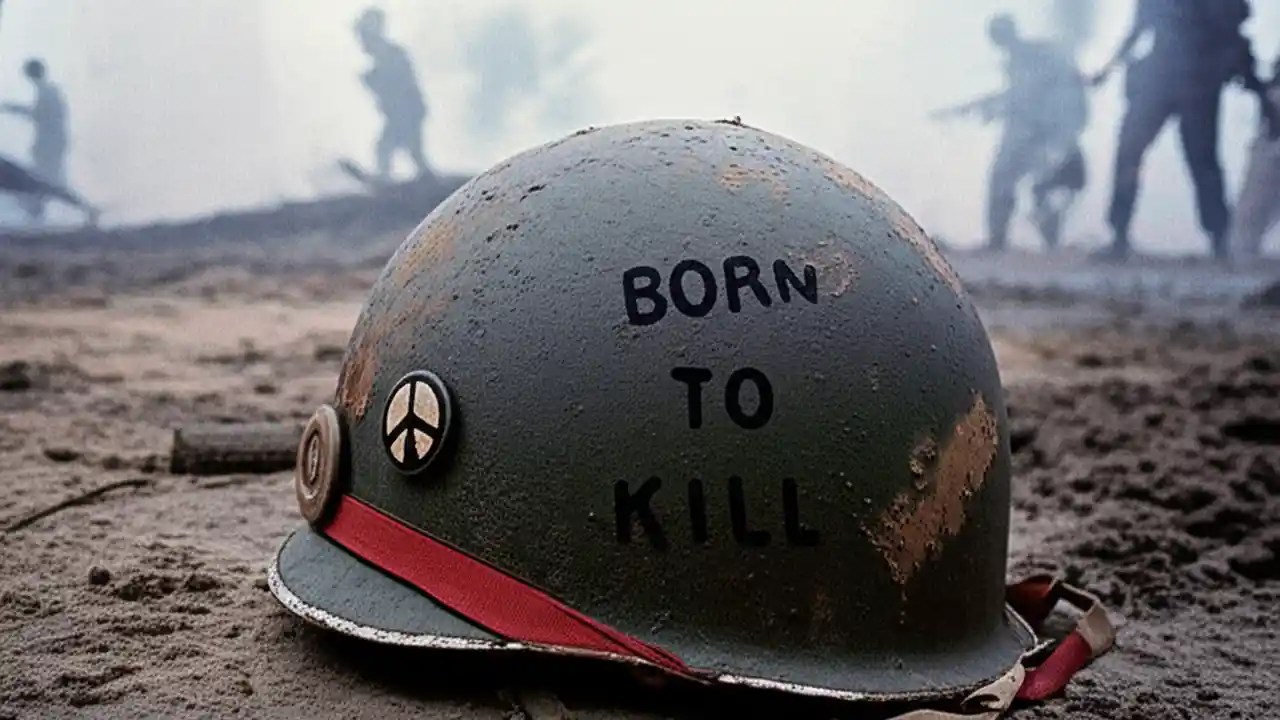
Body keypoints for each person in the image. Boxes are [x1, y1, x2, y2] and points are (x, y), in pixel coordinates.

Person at [1092, 0, 1264, 262]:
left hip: (1196, 83)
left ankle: (1219, 240)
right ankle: (1119, 236)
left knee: (1202, 162)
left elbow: (1232, 34)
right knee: (1131, 153)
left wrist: (1251, 79)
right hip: (1163, 80)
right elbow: (1138, 30)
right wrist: (1107, 69)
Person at [974, 14, 1089, 251]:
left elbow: (1056, 89)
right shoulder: (1016, 61)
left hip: (1047, 131)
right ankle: (998, 238)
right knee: (1004, 179)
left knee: (1043, 186)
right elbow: (1017, 97)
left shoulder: (1041, 55)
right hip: (1029, 131)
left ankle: (1046, 238)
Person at [354, 7, 431, 183]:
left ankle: (387, 181)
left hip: (406, 112)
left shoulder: (391, 55)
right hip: (404, 112)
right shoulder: (388, 55)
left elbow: (399, 84)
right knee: (410, 150)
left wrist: (374, 80)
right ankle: (422, 179)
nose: (361, 43)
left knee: (387, 147)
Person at [1, 57, 78, 222]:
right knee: (44, 181)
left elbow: (39, 115)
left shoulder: (48, 92)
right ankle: (37, 216)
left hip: (49, 145)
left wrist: (13, 109)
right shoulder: (50, 91)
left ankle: (40, 215)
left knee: (44, 181)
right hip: (51, 143)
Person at [1228, 54, 1280, 265]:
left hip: (1268, 144)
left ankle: (1242, 251)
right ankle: (1241, 252)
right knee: (1255, 201)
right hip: (1268, 145)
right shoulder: (1272, 93)